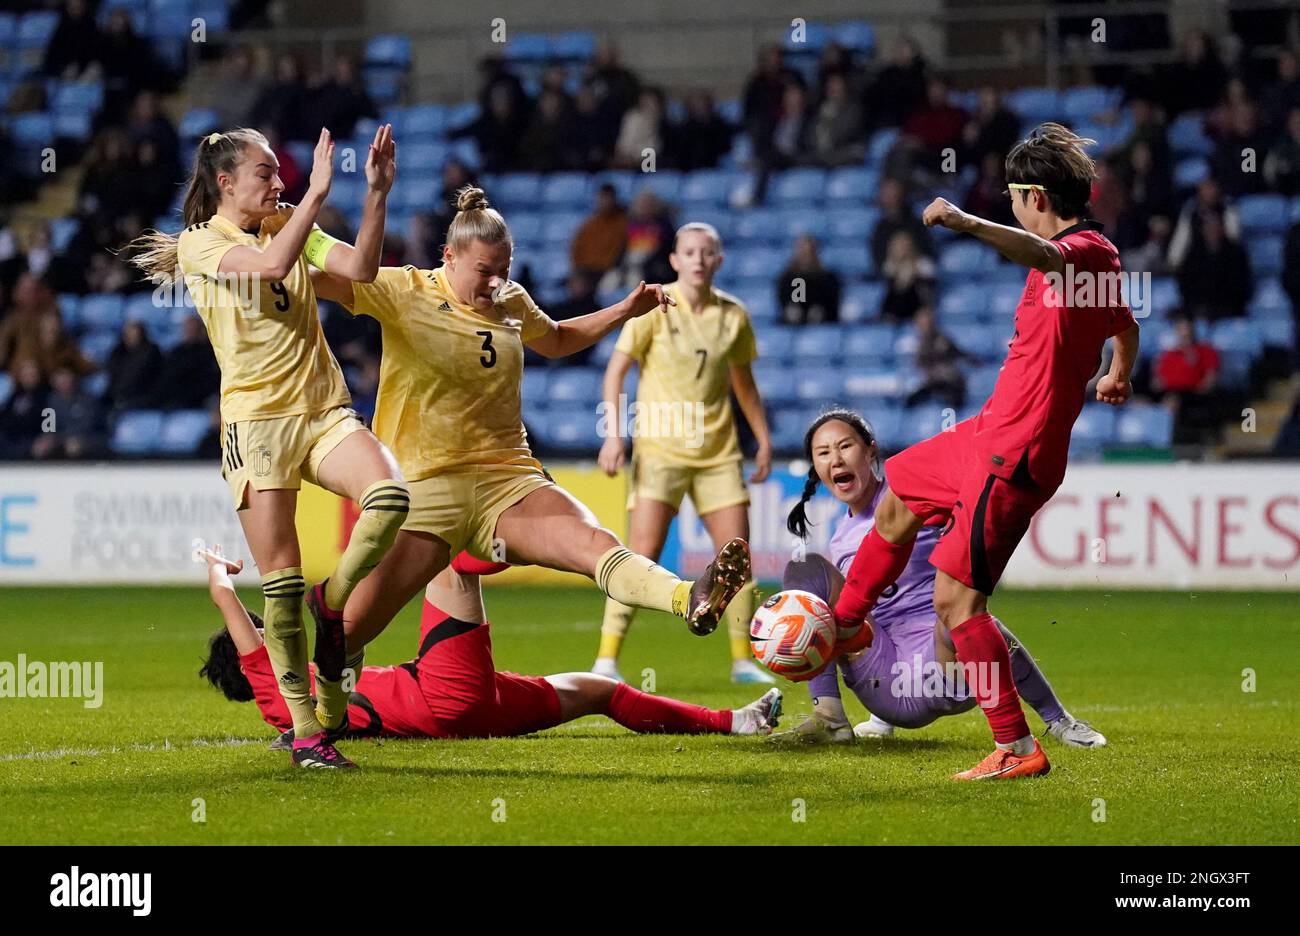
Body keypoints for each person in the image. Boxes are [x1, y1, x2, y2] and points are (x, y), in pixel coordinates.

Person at [308, 188, 753, 678]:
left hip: (508, 481)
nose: (496, 281)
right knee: (348, 631)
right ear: (449, 256)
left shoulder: (511, 299)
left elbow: (557, 339)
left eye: (505, 268)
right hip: (425, 489)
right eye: (484, 270)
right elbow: (318, 282)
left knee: (594, 543)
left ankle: (688, 595)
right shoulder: (402, 289)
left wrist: (624, 310)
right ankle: (312, 712)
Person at [828, 124, 1139, 780]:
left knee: (956, 603)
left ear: (1034, 197)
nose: (1012, 204)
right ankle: (841, 627)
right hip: (987, 433)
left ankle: (1016, 748)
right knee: (901, 490)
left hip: (1015, 455)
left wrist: (964, 220)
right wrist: (1118, 372)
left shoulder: (1078, 251)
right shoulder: (1105, 260)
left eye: (1013, 195)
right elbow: (1126, 326)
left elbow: (1041, 255)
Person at [126, 124, 409, 769]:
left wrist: (375, 194)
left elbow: (361, 271)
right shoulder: (203, 245)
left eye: (281, 175)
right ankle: (308, 732)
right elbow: (271, 267)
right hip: (256, 427)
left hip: (322, 410)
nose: (277, 184)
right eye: (265, 174)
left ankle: (332, 602)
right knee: (278, 584)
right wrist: (314, 193)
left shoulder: (288, 221)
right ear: (225, 183)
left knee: (390, 497)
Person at [199, 549, 783, 743]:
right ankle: (535, 536)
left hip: (467, 709)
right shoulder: (275, 686)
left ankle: (733, 723)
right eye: (260, 634)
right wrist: (218, 570)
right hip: (443, 695)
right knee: (451, 560)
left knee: (602, 691)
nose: (276, 634)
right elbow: (231, 606)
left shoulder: (291, 705)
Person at [774, 410, 1105, 748]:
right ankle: (830, 716)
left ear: (871, 451)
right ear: (815, 466)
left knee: (965, 616)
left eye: (846, 446)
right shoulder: (840, 538)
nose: (837, 459)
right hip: (885, 684)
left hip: (948, 666)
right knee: (806, 568)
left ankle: (1059, 721)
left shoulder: (915, 492)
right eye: (824, 453)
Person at [595, 222, 774, 684]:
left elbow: (745, 388)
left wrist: (764, 439)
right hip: (659, 453)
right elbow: (616, 372)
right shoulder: (654, 308)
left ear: (718, 261)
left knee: (737, 557)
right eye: (689, 251)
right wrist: (615, 436)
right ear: (674, 260)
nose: (698, 259)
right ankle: (607, 662)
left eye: (707, 252)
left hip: (718, 454)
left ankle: (742, 664)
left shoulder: (733, 315)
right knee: (640, 554)